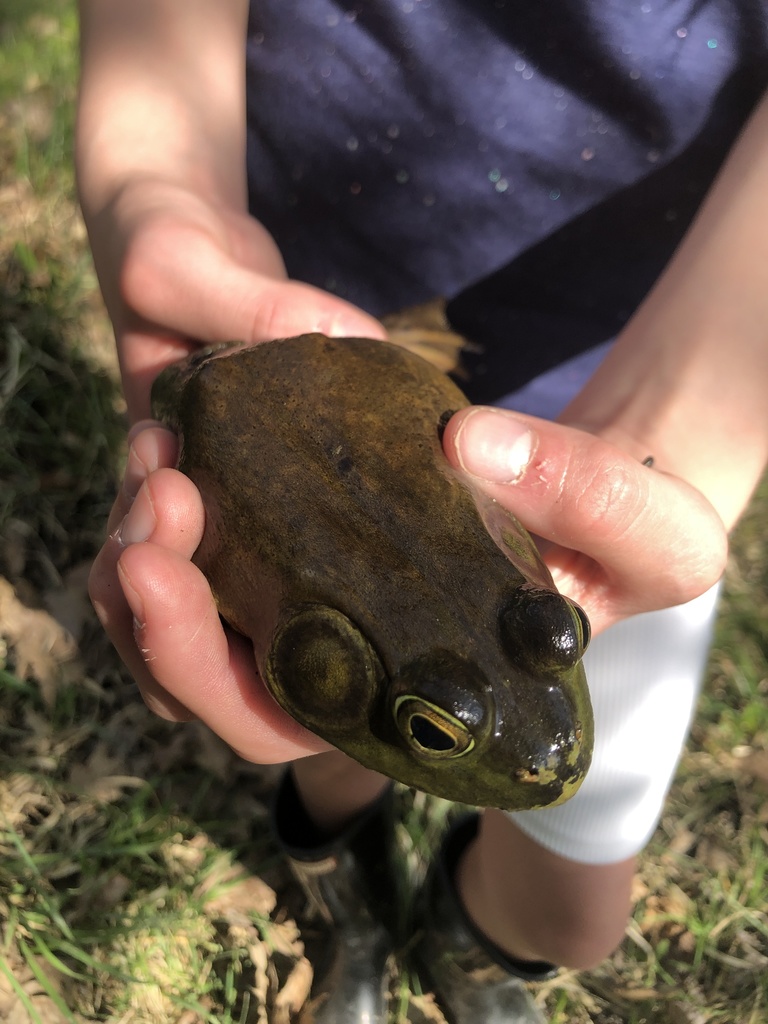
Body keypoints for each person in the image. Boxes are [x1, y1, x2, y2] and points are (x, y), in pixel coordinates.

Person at [77, 2, 768, 1021]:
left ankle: (472, 942)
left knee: (574, 914)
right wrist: (159, 177)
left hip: (623, 434)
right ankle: (346, 901)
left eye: (554, 631)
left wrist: (701, 400)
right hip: (306, 274)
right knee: (331, 739)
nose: (556, 748)